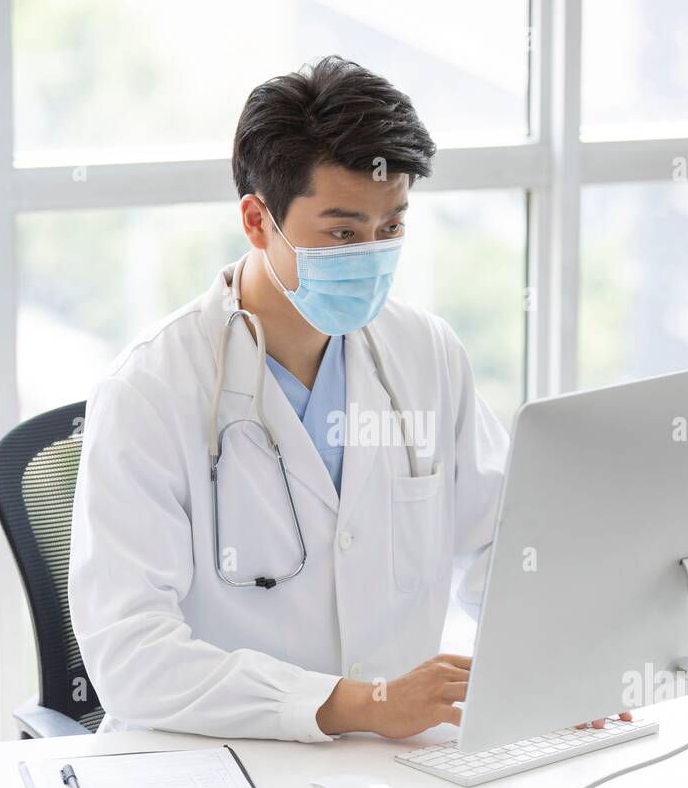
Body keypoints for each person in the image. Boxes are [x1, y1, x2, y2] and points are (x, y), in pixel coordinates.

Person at [68, 56, 621, 742]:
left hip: (392, 766)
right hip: (211, 761)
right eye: (342, 232)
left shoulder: (426, 354)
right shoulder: (150, 392)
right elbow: (131, 657)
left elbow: (503, 553)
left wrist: (563, 665)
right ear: (256, 219)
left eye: (391, 228)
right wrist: (355, 705)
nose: (372, 254)